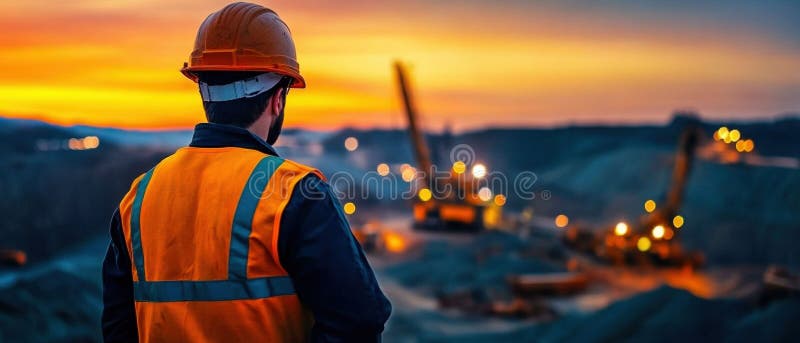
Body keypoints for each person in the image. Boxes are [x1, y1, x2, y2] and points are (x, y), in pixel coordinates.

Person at [101, 2, 391, 342]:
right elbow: (359, 322)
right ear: (277, 99)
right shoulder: (294, 193)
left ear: (204, 92)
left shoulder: (139, 196)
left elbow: (118, 328)